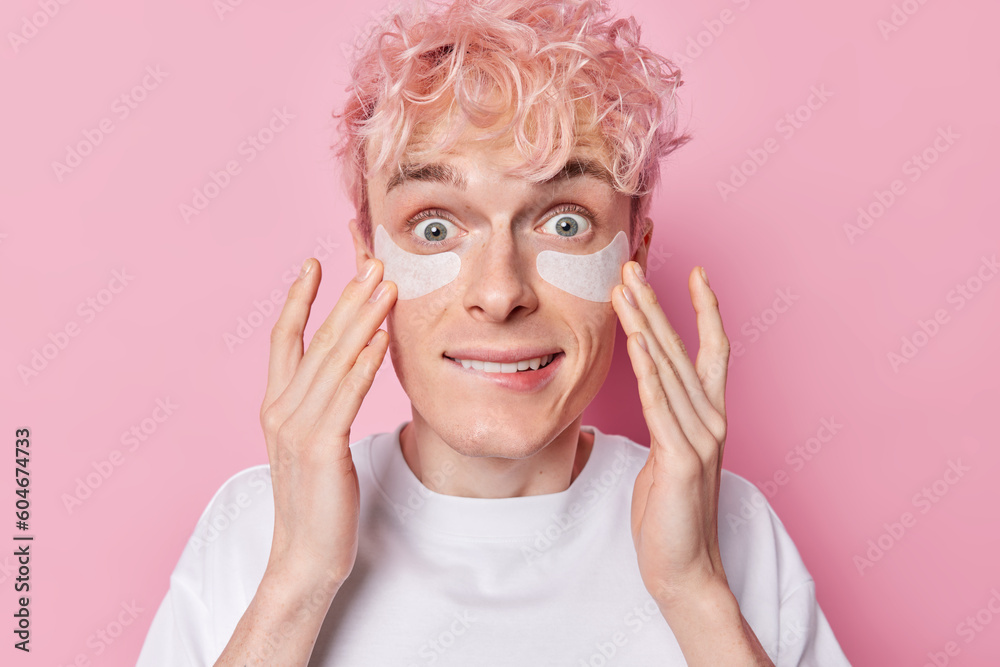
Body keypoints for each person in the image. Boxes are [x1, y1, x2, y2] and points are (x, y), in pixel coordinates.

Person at [137, 0, 851, 664]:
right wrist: (297, 579)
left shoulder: (732, 529)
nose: (501, 290)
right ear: (369, 259)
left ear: (632, 258)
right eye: (437, 226)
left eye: (565, 222)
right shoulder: (251, 529)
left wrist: (694, 589)